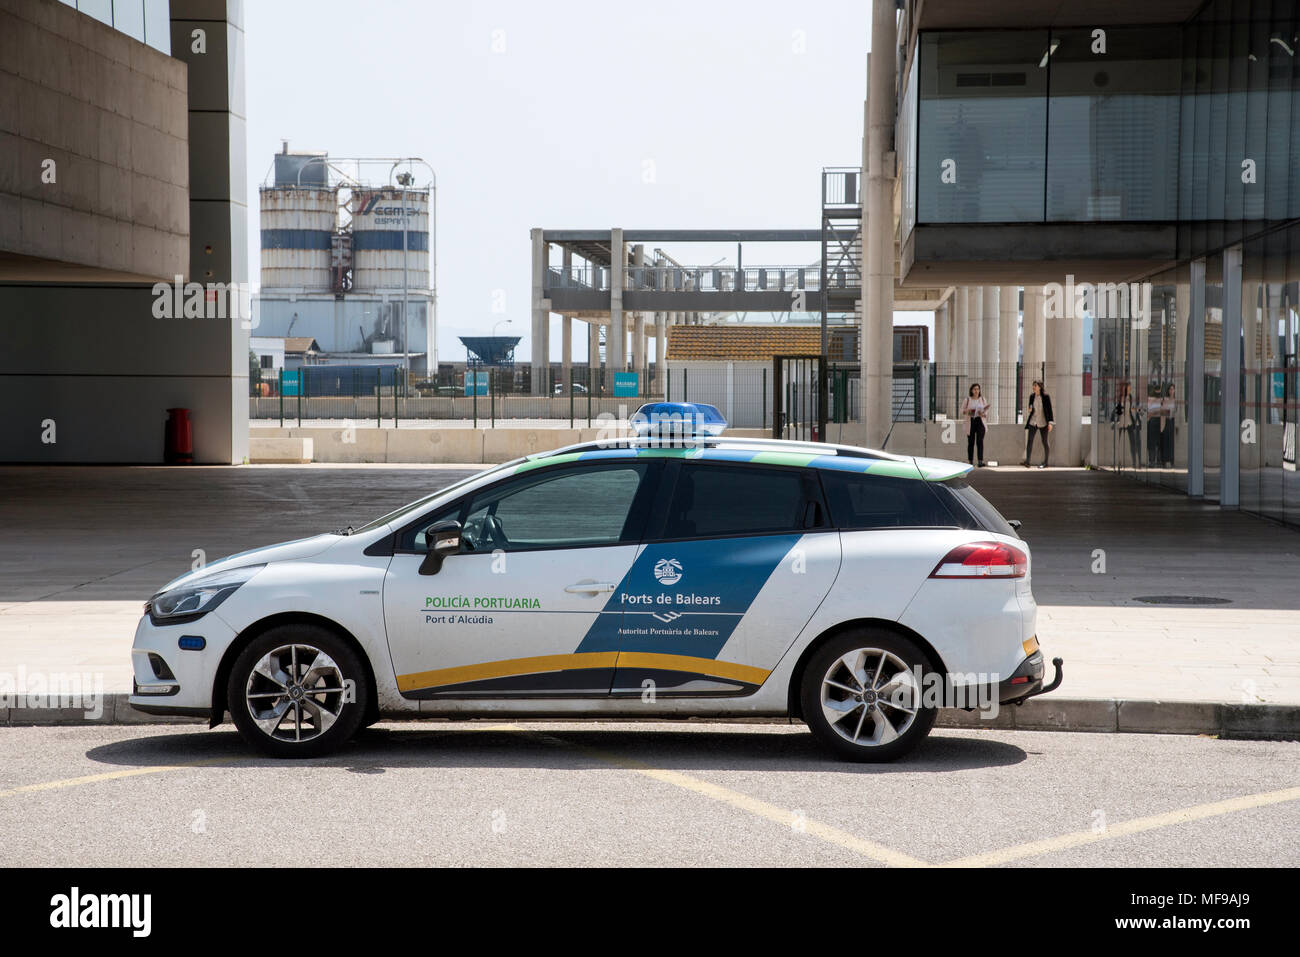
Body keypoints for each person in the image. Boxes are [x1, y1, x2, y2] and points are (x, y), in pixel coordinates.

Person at [1022, 379, 1054, 468]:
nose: (1033, 387)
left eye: (1035, 386)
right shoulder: (1032, 396)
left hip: (1043, 422)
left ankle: (1046, 462)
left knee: (1044, 442)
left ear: (1040, 387)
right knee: (1030, 441)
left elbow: (1050, 410)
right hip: (1033, 421)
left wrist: (1050, 423)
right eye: (1033, 385)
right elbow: (1030, 407)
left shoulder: (1046, 397)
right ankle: (1027, 462)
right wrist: (1029, 409)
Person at [1112, 381, 1142, 469]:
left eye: (1130, 388)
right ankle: (1119, 462)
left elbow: (1132, 409)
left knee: (1132, 442)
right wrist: (1121, 406)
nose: (1129, 390)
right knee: (1120, 442)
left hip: (1129, 421)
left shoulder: (1131, 397)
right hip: (1122, 421)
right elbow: (1117, 411)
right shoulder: (1121, 398)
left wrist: (1137, 411)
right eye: (1128, 388)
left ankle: (1134, 462)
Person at [961, 383, 990, 467]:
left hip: (980, 421)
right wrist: (967, 411)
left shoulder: (983, 399)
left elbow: (986, 411)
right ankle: (970, 461)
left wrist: (983, 413)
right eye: (974, 389)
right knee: (971, 442)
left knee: (980, 441)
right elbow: (962, 410)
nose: (976, 391)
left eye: (978, 389)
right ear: (971, 390)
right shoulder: (967, 400)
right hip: (971, 421)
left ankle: (980, 461)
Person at [1159, 383, 1177, 468]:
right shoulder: (1165, 400)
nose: (1171, 391)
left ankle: (1171, 460)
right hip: (1166, 421)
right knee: (1166, 441)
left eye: (1173, 389)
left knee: (1171, 442)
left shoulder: (1175, 401)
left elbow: (1176, 412)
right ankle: (1165, 460)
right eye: (1170, 389)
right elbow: (1163, 411)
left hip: (1172, 421)